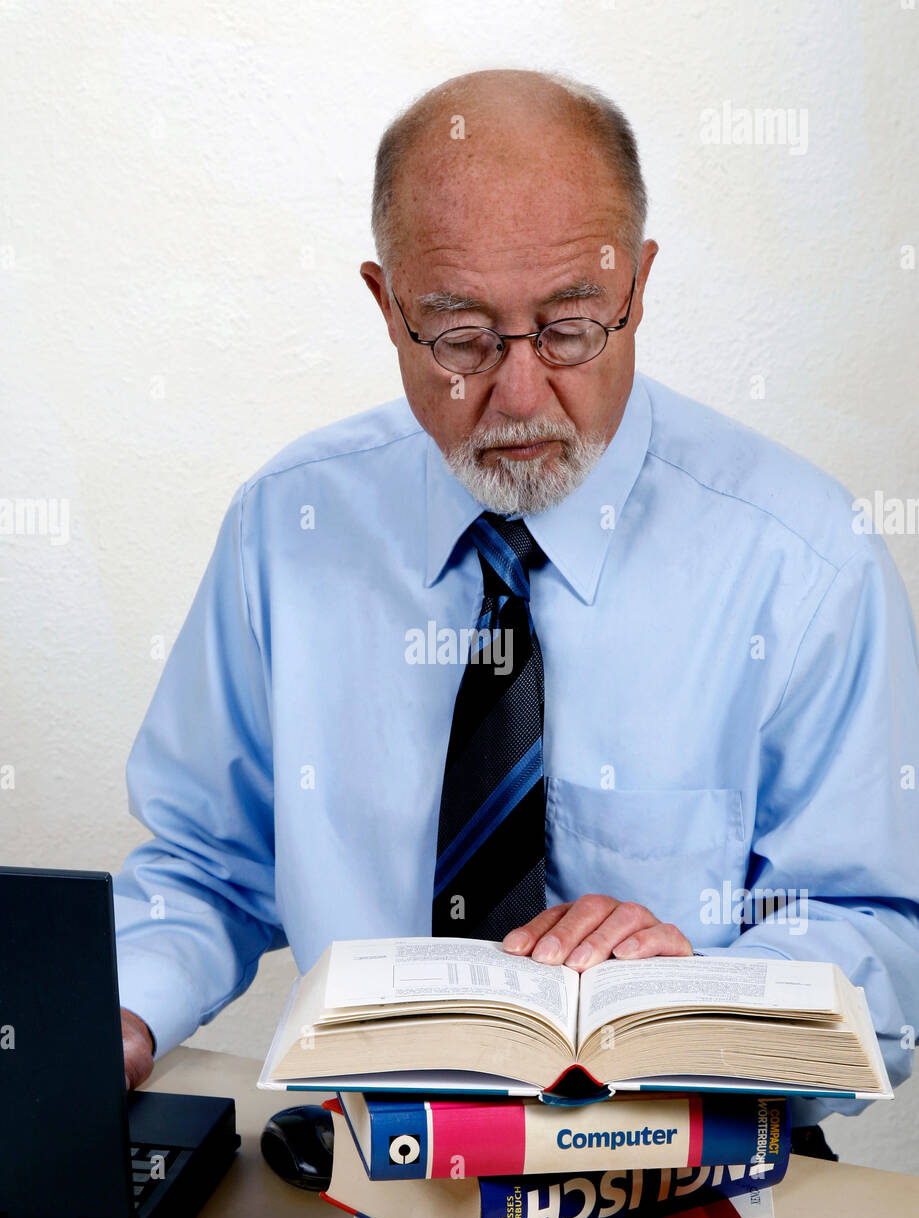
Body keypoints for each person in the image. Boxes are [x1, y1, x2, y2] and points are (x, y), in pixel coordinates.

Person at [114, 70, 919, 1155]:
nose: (523, 395)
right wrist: (116, 1012)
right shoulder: (287, 527)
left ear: (638, 284)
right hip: (371, 1162)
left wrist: (712, 992)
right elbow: (208, 863)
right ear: (385, 305)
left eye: (572, 328)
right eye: (460, 339)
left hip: (699, 1160)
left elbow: (885, 933)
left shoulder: (802, 556)